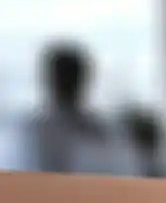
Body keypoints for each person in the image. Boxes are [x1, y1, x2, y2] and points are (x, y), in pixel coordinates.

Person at [26, 42, 140, 175]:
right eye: (64, 78)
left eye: (70, 78)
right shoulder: (37, 130)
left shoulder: (104, 131)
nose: (67, 84)